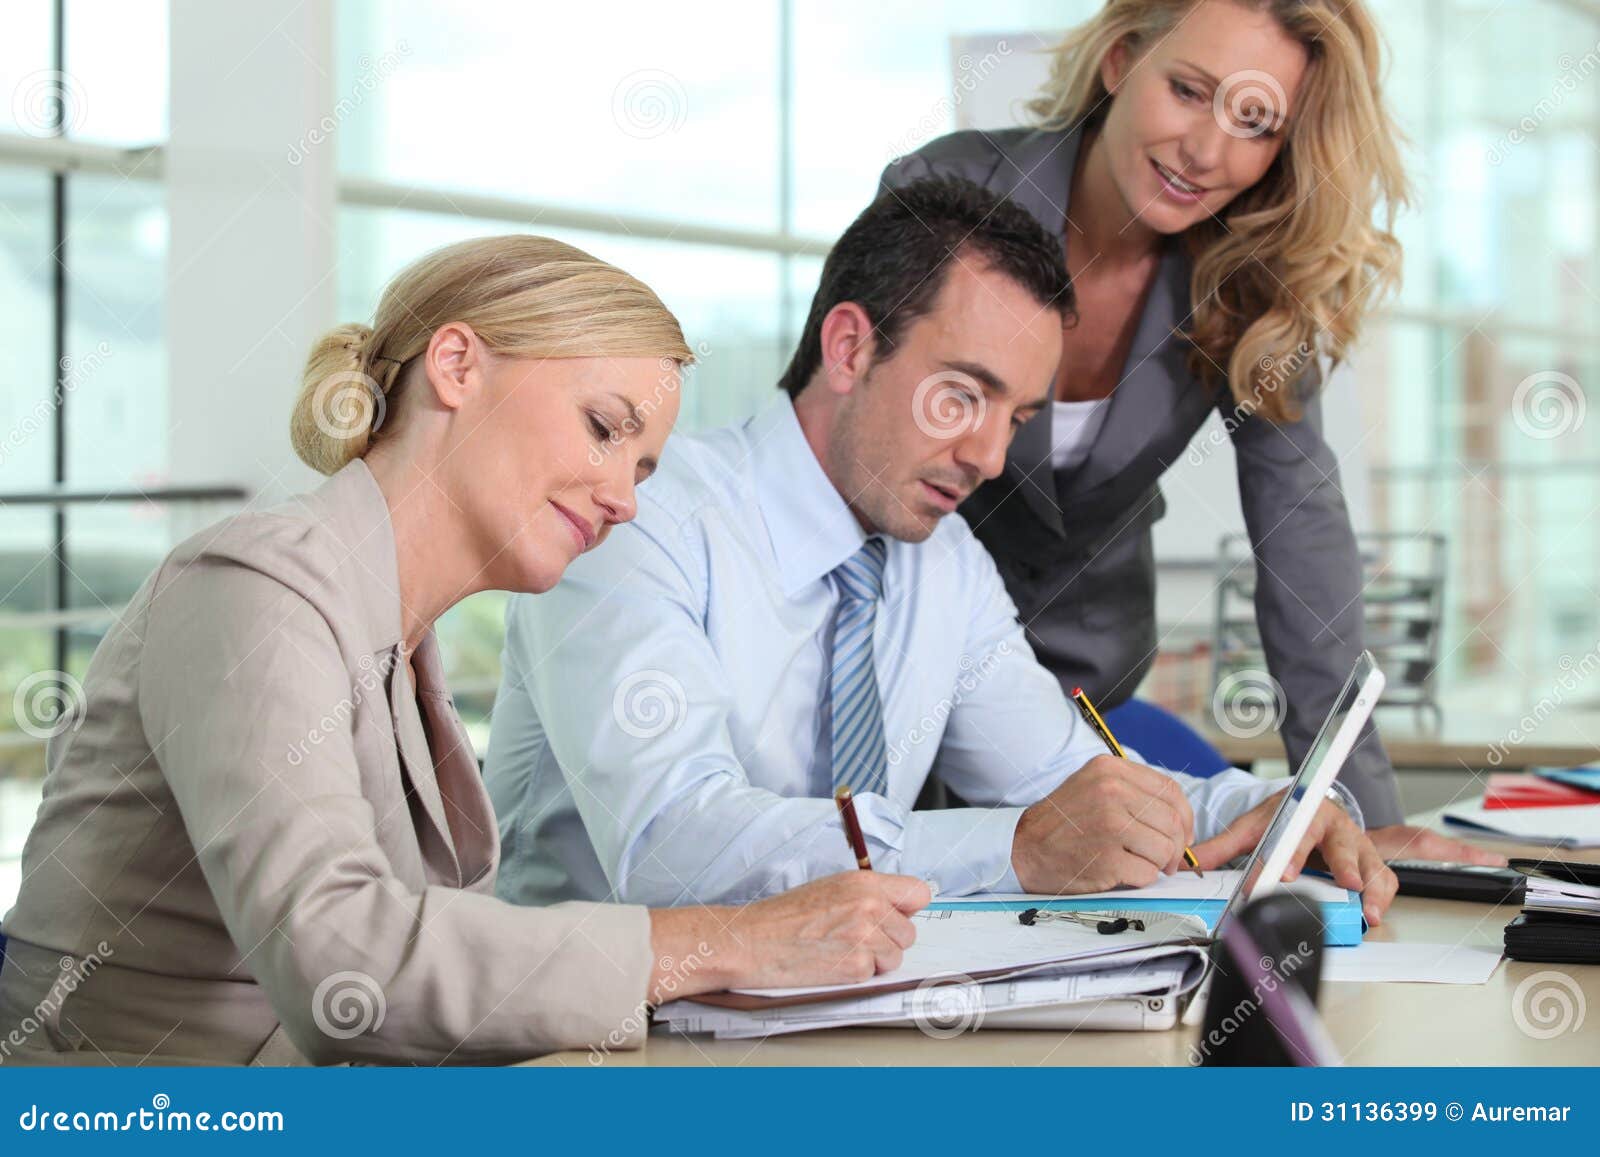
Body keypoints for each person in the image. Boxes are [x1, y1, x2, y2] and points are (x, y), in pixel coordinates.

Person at [0, 235, 929, 1067]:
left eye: (642, 468)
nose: (625, 498)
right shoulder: (253, 586)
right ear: (456, 364)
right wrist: (726, 940)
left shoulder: (401, 640)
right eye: (604, 429)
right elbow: (342, 965)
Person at [483, 177, 1398, 926]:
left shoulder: (943, 562)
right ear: (849, 346)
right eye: (963, 395)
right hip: (594, 1049)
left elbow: (1071, 784)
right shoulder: (639, 518)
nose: (991, 457)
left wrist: (1265, 809)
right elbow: (670, 850)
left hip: (837, 1028)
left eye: (1017, 417)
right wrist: (1013, 848)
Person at [874, 0, 1502, 865]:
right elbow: (850, 442)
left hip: (1073, 701)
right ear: (1121, 60)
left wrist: (1354, 798)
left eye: (1254, 122)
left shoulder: (1248, 284)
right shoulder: (949, 197)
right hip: (885, 673)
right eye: (1188, 90)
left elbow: (1301, 532)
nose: (1206, 151)